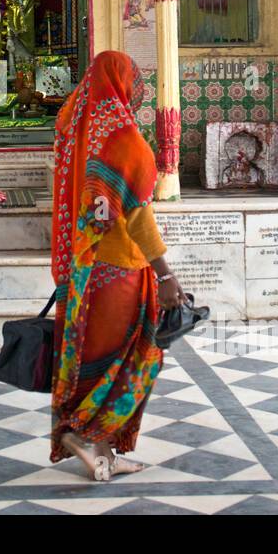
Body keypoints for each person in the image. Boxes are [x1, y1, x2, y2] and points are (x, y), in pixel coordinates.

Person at [49, 51, 186, 481]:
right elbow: (139, 216)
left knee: (91, 360)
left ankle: (100, 450)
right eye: (133, 80)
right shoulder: (124, 141)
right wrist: (164, 274)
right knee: (131, 360)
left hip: (83, 273)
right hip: (119, 273)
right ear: (122, 84)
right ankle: (85, 434)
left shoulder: (78, 134)